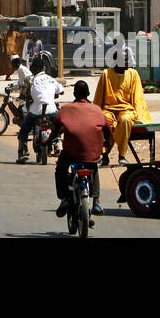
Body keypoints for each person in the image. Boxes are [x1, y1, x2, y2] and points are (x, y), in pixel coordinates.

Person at [53, 80, 110, 218]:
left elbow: (55, 130)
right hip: (92, 154)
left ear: (74, 93)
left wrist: (46, 141)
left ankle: (64, 198)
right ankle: (96, 201)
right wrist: (106, 145)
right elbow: (108, 130)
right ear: (88, 94)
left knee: (61, 169)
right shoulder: (97, 109)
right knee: (94, 168)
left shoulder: (65, 109)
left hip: (70, 153)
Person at [93, 51, 151, 162]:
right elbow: (99, 97)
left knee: (125, 120)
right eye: (123, 60)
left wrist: (140, 117)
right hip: (109, 110)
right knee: (104, 122)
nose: (126, 62)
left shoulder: (133, 74)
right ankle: (104, 155)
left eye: (127, 60)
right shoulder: (106, 74)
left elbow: (138, 98)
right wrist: (95, 114)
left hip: (126, 110)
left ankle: (122, 155)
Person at [17, 55, 65, 164]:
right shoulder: (50, 79)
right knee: (58, 128)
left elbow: (40, 98)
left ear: (36, 69)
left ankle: (23, 151)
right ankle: (59, 145)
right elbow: (61, 90)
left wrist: (42, 114)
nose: (31, 69)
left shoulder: (34, 80)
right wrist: (55, 93)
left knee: (24, 130)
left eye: (32, 67)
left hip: (37, 112)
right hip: (52, 111)